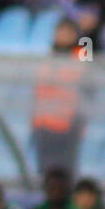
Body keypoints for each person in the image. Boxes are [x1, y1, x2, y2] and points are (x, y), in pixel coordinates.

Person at [31, 19, 88, 175]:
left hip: (68, 125)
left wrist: (86, 35)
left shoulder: (78, 55)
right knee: (44, 170)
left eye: (67, 33)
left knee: (67, 170)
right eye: (59, 32)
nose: (62, 36)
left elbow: (88, 54)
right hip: (44, 124)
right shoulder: (47, 57)